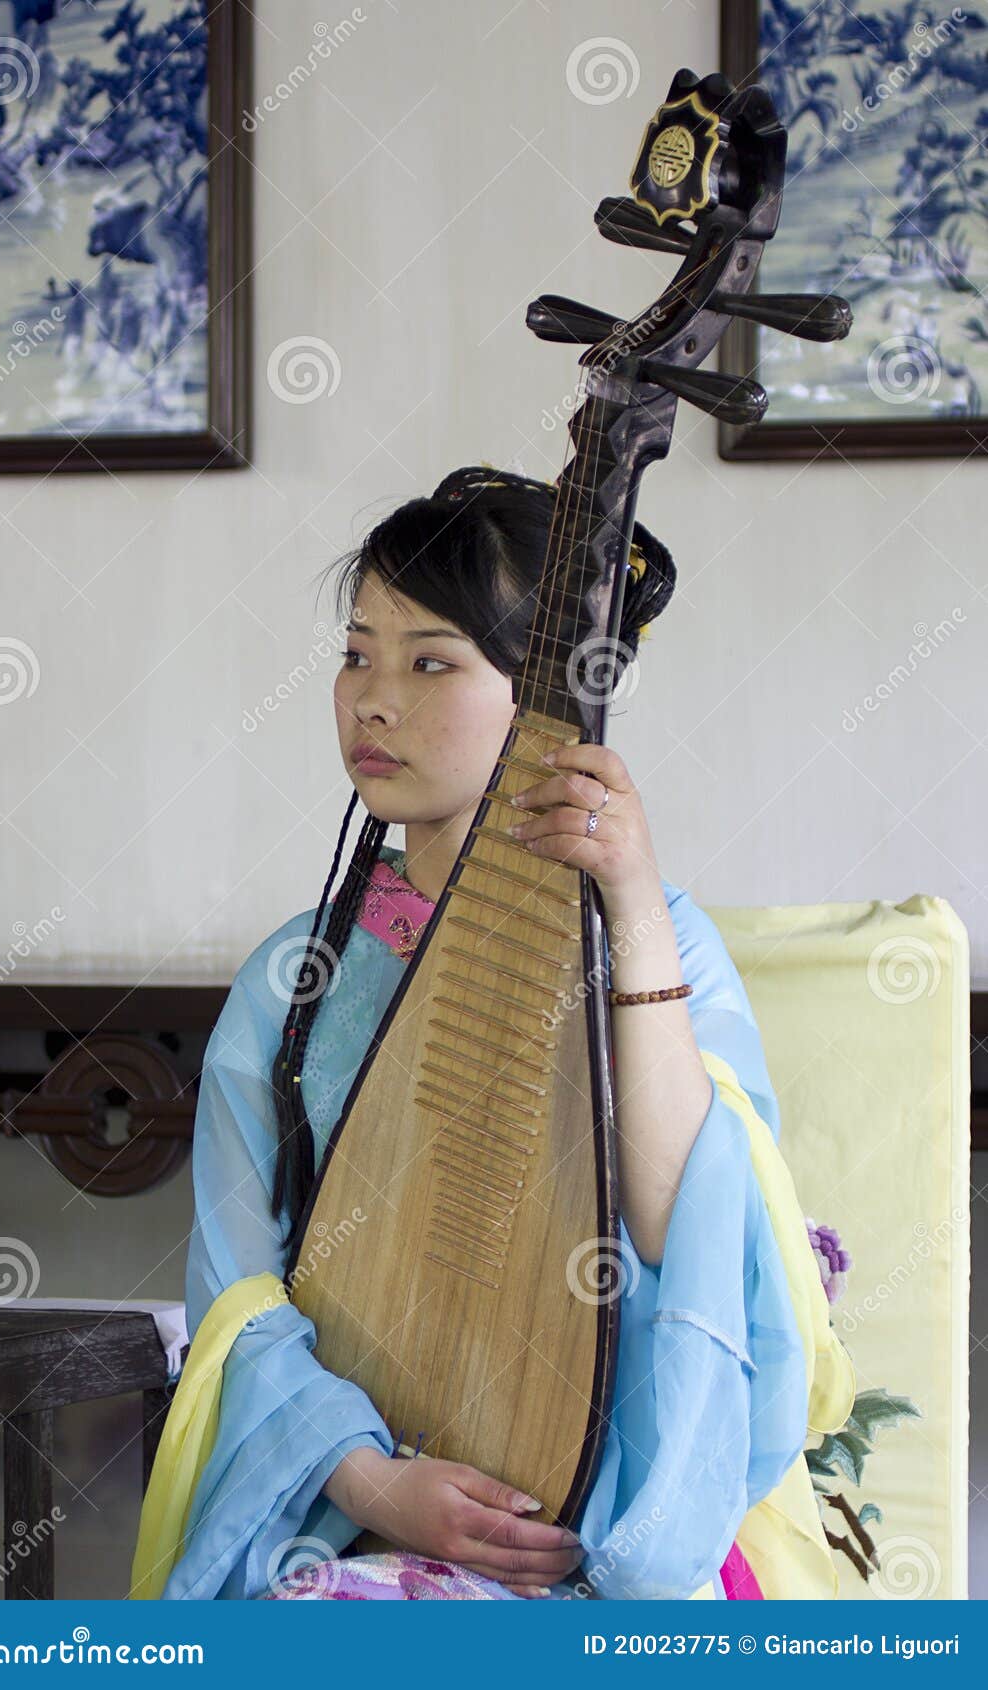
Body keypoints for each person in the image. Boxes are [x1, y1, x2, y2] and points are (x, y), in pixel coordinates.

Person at [138, 467, 854, 1602]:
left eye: (430, 662)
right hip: (334, 1510)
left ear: (545, 705)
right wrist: (374, 1484)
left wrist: (628, 896)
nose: (372, 701)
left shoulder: (663, 938)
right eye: (356, 654)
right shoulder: (295, 979)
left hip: (606, 1511)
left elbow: (687, 1228)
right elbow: (239, 1294)